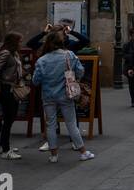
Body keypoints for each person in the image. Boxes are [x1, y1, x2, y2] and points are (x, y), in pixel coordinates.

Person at [31, 30, 95, 163]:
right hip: (66, 94)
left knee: (50, 125)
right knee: (71, 123)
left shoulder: (42, 60)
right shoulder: (69, 55)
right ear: (61, 42)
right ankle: (83, 152)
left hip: (48, 95)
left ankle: (53, 155)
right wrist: (74, 77)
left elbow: (35, 81)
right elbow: (80, 71)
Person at [0, 32, 26, 160]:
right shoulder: (6, 53)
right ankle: (6, 150)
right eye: (19, 41)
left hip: (12, 87)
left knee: (9, 118)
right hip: (6, 88)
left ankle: (2, 145)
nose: (21, 43)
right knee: (9, 118)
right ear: (13, 42)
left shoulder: (14, 53)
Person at [123, 29, 134, 107]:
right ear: (130, 36)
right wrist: (132, 57)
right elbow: (124, 54)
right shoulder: (127, 45)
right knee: (131, 85)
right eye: (133, 35)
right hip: (130, 67)